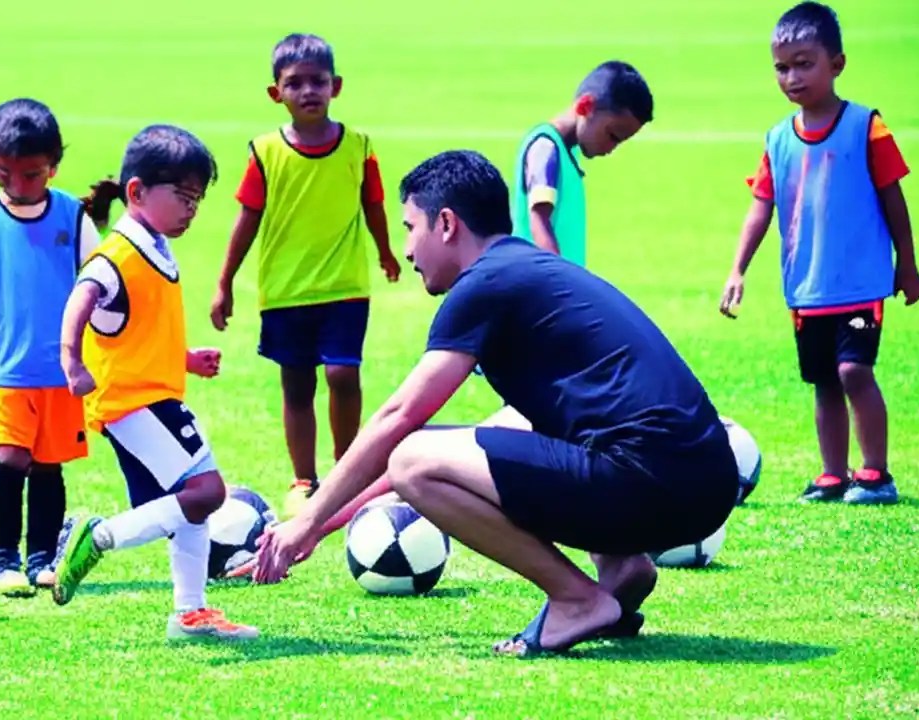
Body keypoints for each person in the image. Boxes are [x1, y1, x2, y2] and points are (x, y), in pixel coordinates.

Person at [253, 151, 739, 657]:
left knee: (414, 458)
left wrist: (305, 521)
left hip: (648, 477)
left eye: (409, 227)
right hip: (702, 486)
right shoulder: (525, 271)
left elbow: (400, 422)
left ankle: (576, 599)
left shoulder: (484, 285)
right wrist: (321, 524)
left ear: (445, 224)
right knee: (465, 446)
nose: (408, 250)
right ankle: (621, 570)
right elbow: (490, 438)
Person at [54, 125, 260, 642]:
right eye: (183, 197)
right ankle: (100, 536)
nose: (191, 209)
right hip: (133, 402)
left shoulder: (155, 244)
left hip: (153, 396)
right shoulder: (118, 253)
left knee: (190, 503)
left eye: (197, 199)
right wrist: (71, 363)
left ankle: (189, 614)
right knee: (207, 491)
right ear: (137, 192)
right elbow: (80, 300)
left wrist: (186, 360)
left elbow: (134, 328)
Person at [719, 1, 919, 505]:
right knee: (823, 381)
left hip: (860, 283)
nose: (792, 77)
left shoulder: (865, 126)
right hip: (807, 289)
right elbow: (759, 208)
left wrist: (908, 263)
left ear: (837, 64)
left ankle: (876, 473)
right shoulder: (776, 139)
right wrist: (737, 269)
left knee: (854, 371)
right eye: (782, 67)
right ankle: (833, 474)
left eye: (804, 63)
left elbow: (894, 197)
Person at [209, 33, 401, 520]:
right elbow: (247, 218)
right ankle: (303, 479)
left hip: (345, 285)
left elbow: (372, 203)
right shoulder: (265, 152)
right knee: (296, 385)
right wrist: (224, 282)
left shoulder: (358, 147)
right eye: (295, 84)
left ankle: (346, 470)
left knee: (342, 374)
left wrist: (385, 252)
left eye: (318, 81)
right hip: (286, 290)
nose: (308, 91)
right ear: (276, 93)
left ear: (336, 86)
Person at [0, 98, 110, 596]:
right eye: (4, 175)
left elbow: (100, 285)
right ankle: (1, 560)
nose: (18, 187)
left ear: (54, 165)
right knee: (11, 458)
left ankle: (41, 556)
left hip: (62, 369)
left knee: (49, 463)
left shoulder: (74, 218)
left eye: (32, 175)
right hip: (6, 366)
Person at [511, 60, 653, 268]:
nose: (611, 148)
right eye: (612, 136)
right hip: (540, 288)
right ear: (585, 106)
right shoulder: (546, 148)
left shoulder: (568, 153)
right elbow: (539, 221)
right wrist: (560, 280)